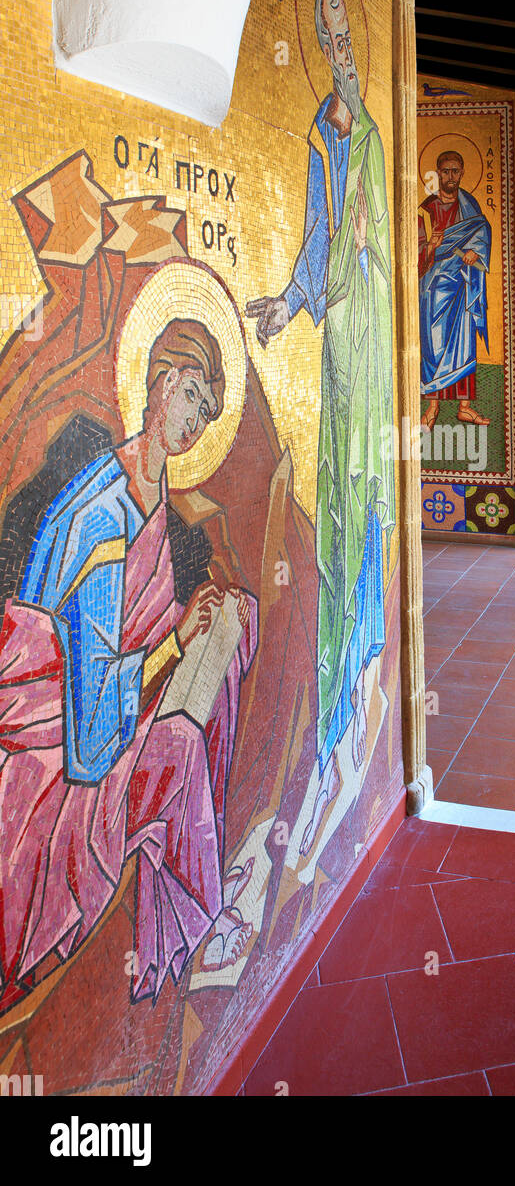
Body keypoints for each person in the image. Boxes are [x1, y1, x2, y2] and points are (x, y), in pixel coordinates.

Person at [0, 320, 258, 1011]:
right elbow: (88, 733)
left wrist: (192, 623)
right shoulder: (101, 515)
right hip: (58, 768)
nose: (200, 422)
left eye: (209, 412)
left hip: (113, 713)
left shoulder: (152, 495)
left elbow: (134, 639)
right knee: (179, 753)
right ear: (164, 383)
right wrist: (177, 645)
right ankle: (193, 932)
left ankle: (192, 885)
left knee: (238, 620)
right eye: (196, 398)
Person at [245, 0, 395, 858]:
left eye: (346, 39)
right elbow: (314, 238)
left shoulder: (372, 137)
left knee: (361, 493)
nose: (337, 51)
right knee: (335, 510)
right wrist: (285, 302)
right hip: (334, 338)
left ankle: (356, 683)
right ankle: (336, 712)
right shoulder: (319, 138)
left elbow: (367, 241)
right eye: (325, 36)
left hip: (367, 338)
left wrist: (350, 278)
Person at [417, 150, 491, 430]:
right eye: (445, 171)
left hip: (462, 283)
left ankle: (464, 407)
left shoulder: (469, 204)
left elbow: (481, 232)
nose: (450, 176)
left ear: (462, 172)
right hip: (433, 287)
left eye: (455, 171)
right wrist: (431, 246)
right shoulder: (426, 209)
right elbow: (415, 250)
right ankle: (432, 408)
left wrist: (475, 251)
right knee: (433, 346)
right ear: (438, 174)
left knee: (463, 344)